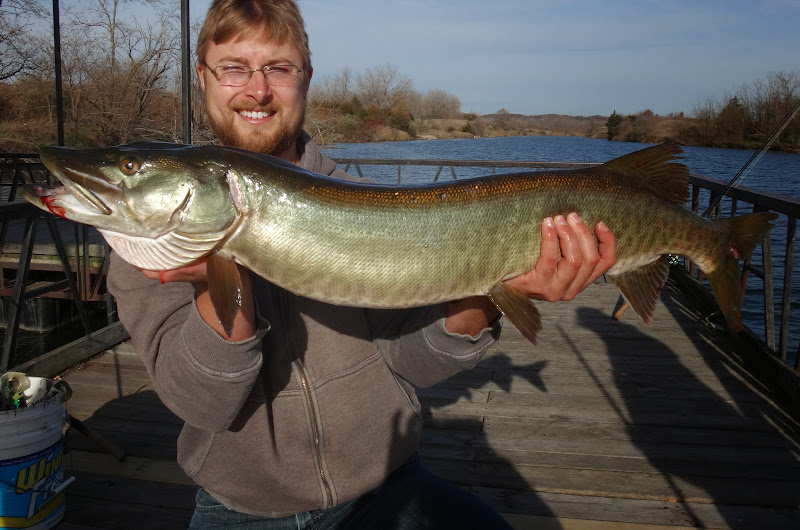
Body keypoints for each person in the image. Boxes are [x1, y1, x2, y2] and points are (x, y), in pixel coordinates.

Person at [106, 0, 617, 528]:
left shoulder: (366, 198)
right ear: (203, 78)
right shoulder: (145, 245)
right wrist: (215, 286)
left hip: (386, 487)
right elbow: (204, 405)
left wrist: (493, 296)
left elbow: (413, 364)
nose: (256, 90)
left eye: (278, 68)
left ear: (306, 77)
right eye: (233, 67)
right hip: (241, 509)